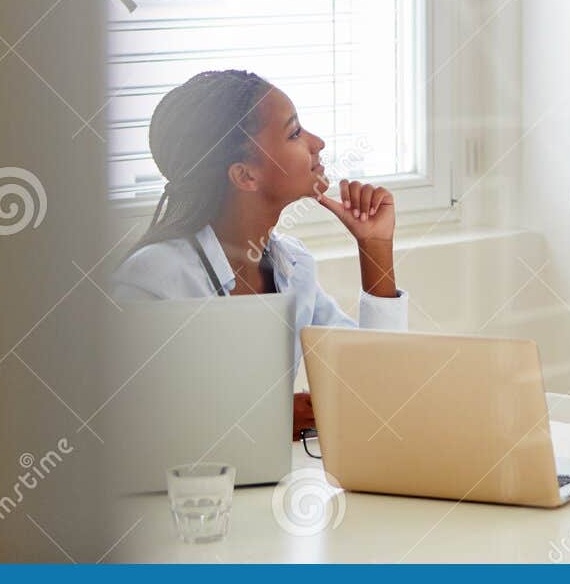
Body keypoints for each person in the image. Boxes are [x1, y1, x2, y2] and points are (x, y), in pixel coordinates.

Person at [111, 69, 408, 439]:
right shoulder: (153, 279)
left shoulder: (293, 265)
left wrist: (375, 247)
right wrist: (275, 417)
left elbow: (379, 383)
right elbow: (132, 432)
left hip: (269, 486)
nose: (318, 143)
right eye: (295, 133)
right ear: (245, 176)